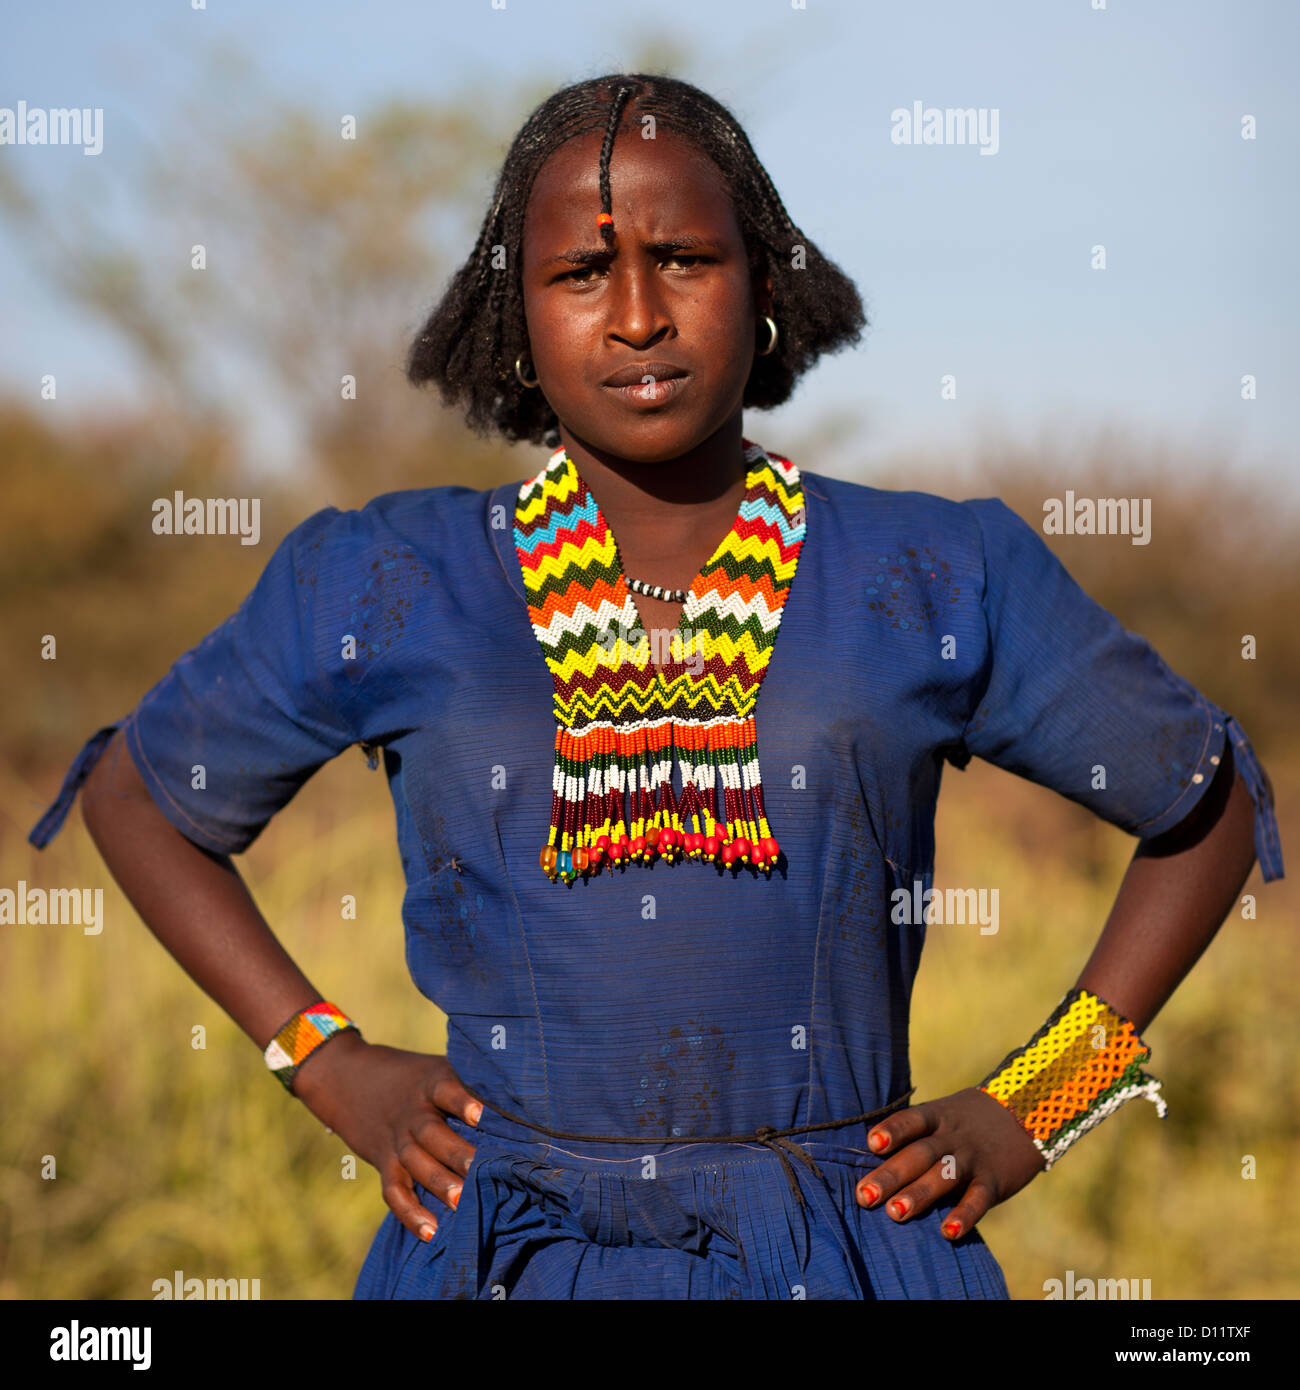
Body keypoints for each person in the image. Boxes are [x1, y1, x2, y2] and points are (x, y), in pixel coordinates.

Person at [30, 73, 1284, 1301]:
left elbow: (1204, 800)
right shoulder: (389, 580)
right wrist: (324, 1059)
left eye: (685, 258)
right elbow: (143, 796)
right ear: (517, 320)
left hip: (841, 1249)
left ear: (766, 288)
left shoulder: (929, 571)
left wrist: (1035, 1107)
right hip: (500, 1253)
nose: (636, 314)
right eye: (581, 273)